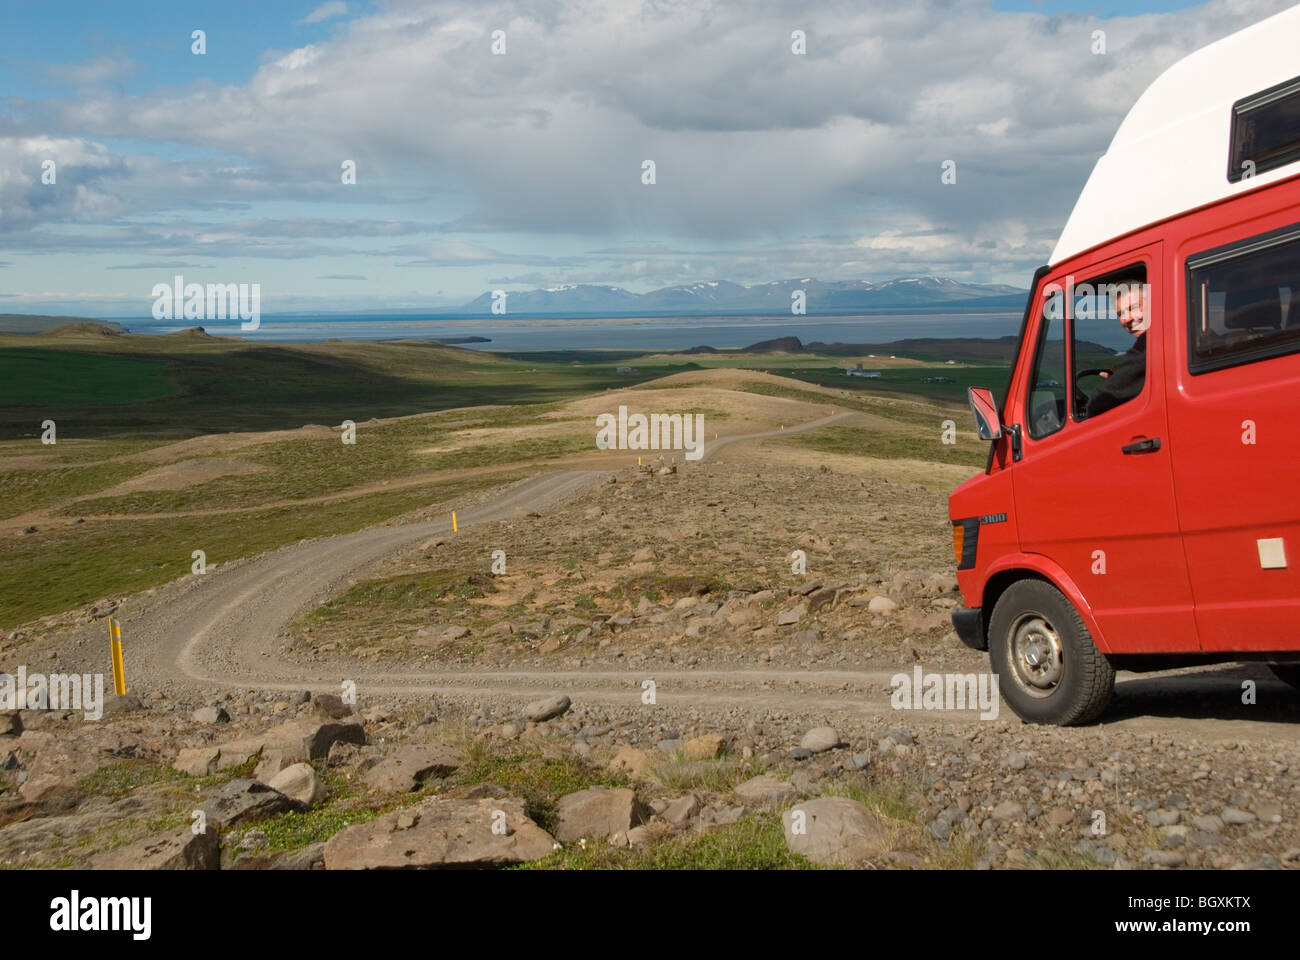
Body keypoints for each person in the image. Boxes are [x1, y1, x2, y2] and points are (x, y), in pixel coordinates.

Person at [1085, 282, 1148, 418]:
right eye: (1121, 313)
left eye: (1134, 308)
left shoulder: (1150, 343)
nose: (1126, 319)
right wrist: (1120, 374)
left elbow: (1099, 400)